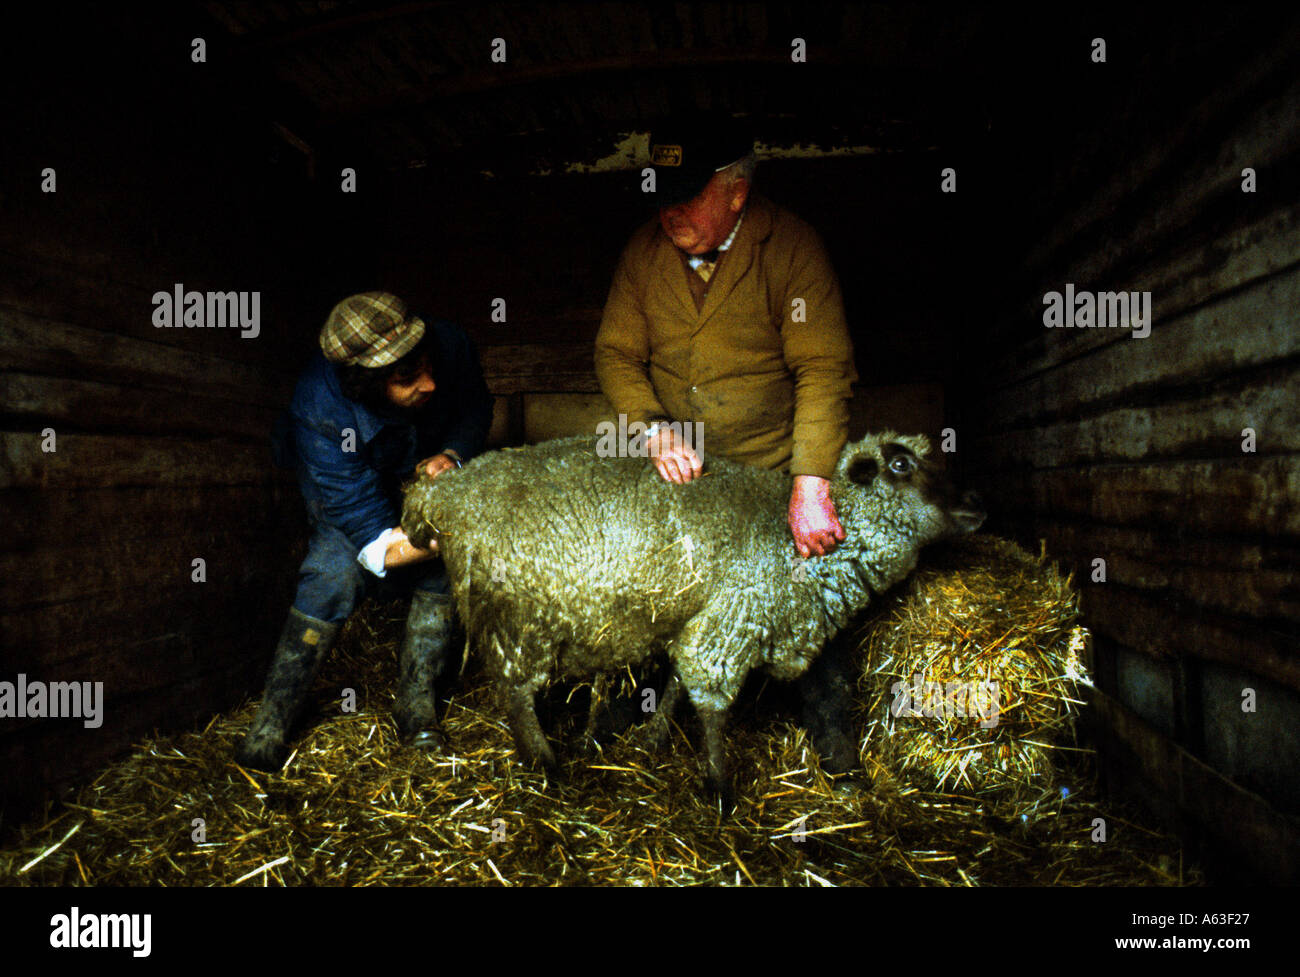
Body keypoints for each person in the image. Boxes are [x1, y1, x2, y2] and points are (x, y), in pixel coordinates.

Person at [594, 116, 861, 769]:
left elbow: (823, 368)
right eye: (662, 192)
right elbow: (615, 354)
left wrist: (811, 484)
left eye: (688, 194)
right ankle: (637, 704)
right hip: (680, 476)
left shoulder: (791, 247)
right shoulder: (643, 252)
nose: (670, 209)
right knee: (646, 579)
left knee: (811, 574)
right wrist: (653, 431)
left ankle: (830, 732)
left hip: (769, 467)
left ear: (737, 192)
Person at [236, 291, 493, 771]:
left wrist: (453, 454)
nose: (431, 383)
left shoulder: (450, 343)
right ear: (364, 385)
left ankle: (417, 708)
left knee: (442, 574)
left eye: (427, 365)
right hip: (349, 483)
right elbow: (375, 540)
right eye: (406, 379)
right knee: (333, 573)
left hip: (420, 471)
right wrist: (456, 538)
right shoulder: (320, 409)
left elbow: (475, 405)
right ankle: (272, 721)